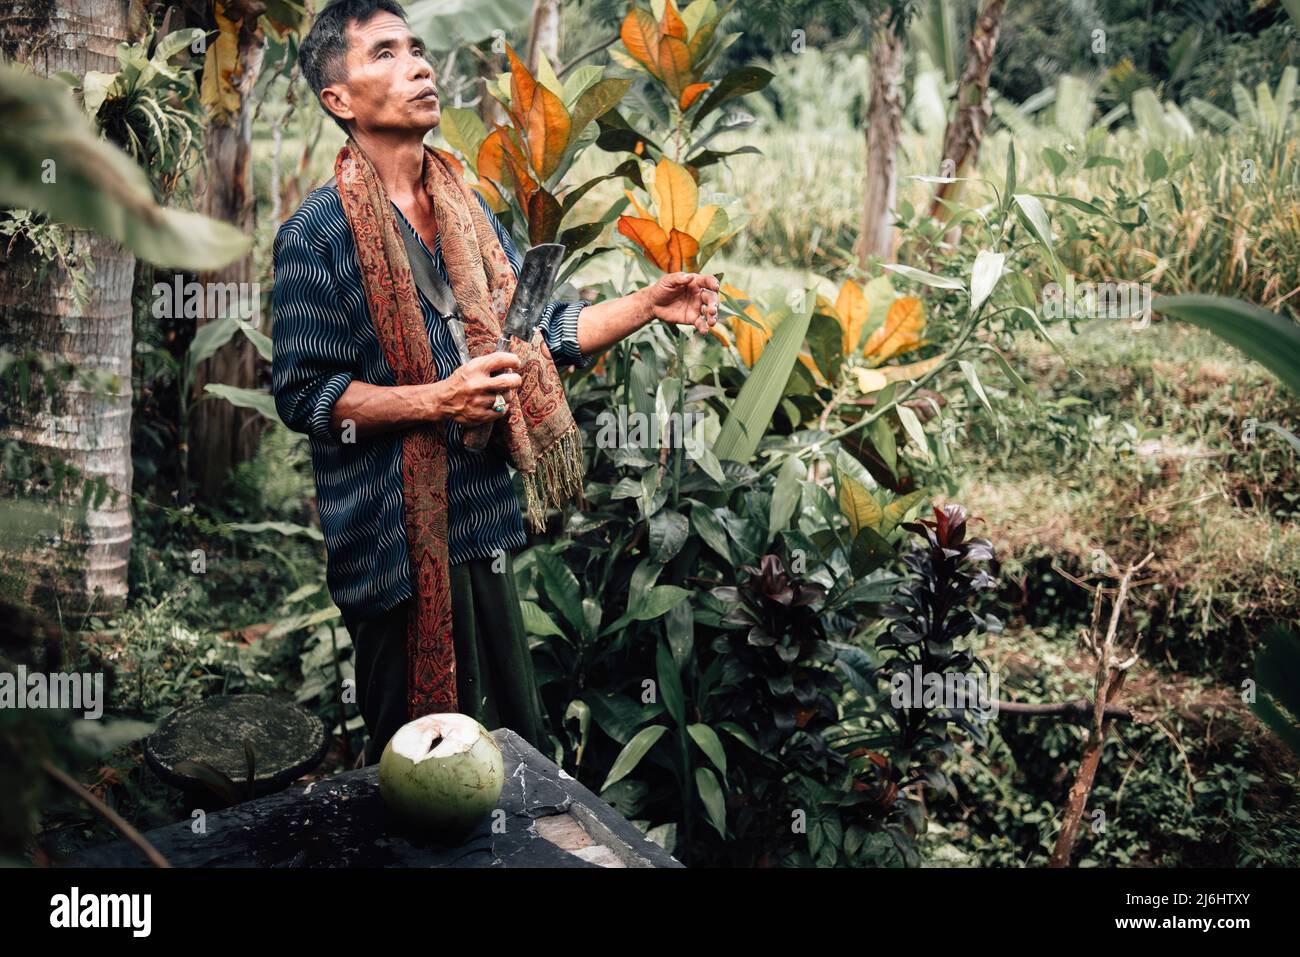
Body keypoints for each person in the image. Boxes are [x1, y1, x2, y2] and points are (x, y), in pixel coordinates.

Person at [270, 0, 720, 765]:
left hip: (483, 525)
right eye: (385, 53)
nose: (417, 64)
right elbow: (307, 396)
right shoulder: (314, 235)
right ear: (338, 100)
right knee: (416, 767)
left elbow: (535, 329)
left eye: (417, 48)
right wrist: (440, 400)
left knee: (506, 755)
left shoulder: (465, 208)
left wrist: (647, 303)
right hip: (392, 546)